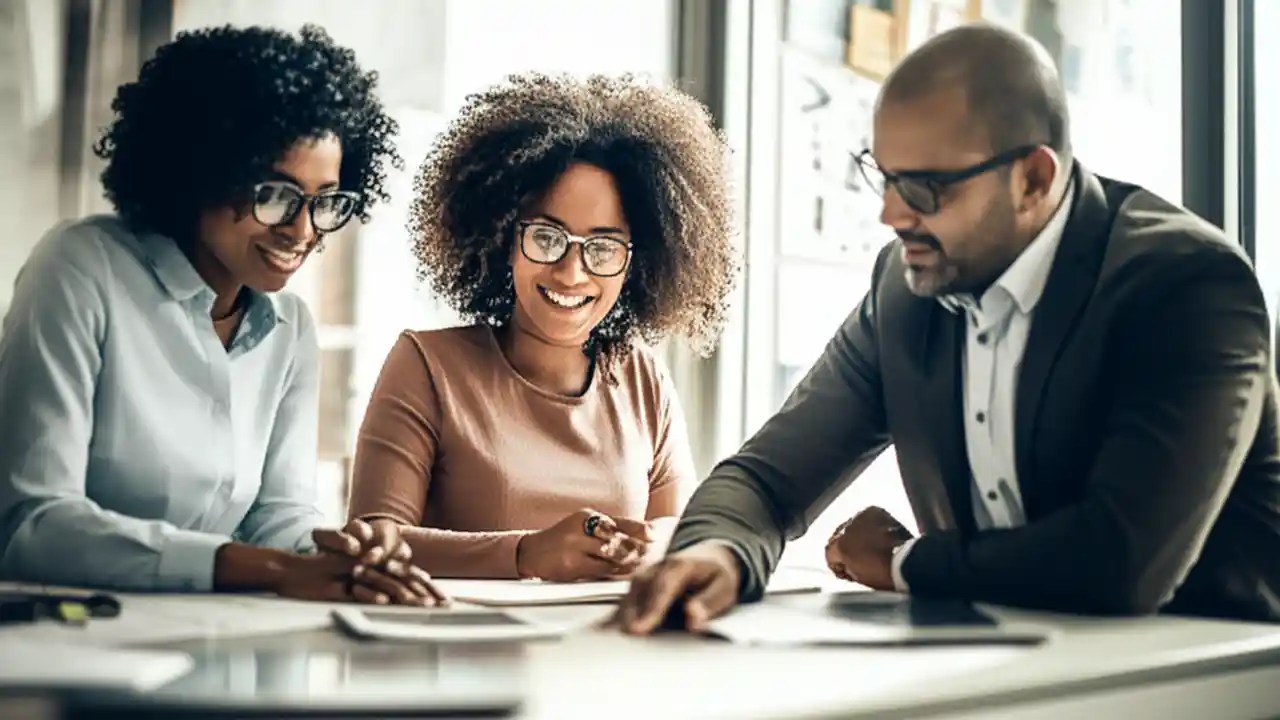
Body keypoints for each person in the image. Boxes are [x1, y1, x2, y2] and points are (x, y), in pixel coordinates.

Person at [617, 23, 1280, 631]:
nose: (891, 214)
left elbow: (1120, 561)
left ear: (1033, 179)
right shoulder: (904, 289)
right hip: (1003, 661)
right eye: (883, 176)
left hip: (1209, 672)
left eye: (926, 188)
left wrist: (907, 562)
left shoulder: (1185, 285)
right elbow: (767, 478)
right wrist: (719, 552)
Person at [0, 24, 444, 606]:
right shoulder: (83, 269)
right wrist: (267, 569)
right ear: (198, 172)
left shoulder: (290, 330)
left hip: (217, 633)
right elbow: (32, 525)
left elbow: (278, 519)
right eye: (275, 195)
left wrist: (341, 554)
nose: (303, 230)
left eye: (324, 202)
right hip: (77, 640)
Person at [346, 73, 737, 582]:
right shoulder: (427, 365)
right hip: (459, 653)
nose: (572, 274)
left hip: (605, 650)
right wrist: (525, 554)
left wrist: (654, 544)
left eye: (602, 248)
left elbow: (679, 530)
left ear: (637, 263)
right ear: (503, 238)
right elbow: (370, 540)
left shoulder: (645, 380)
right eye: (548, 238)